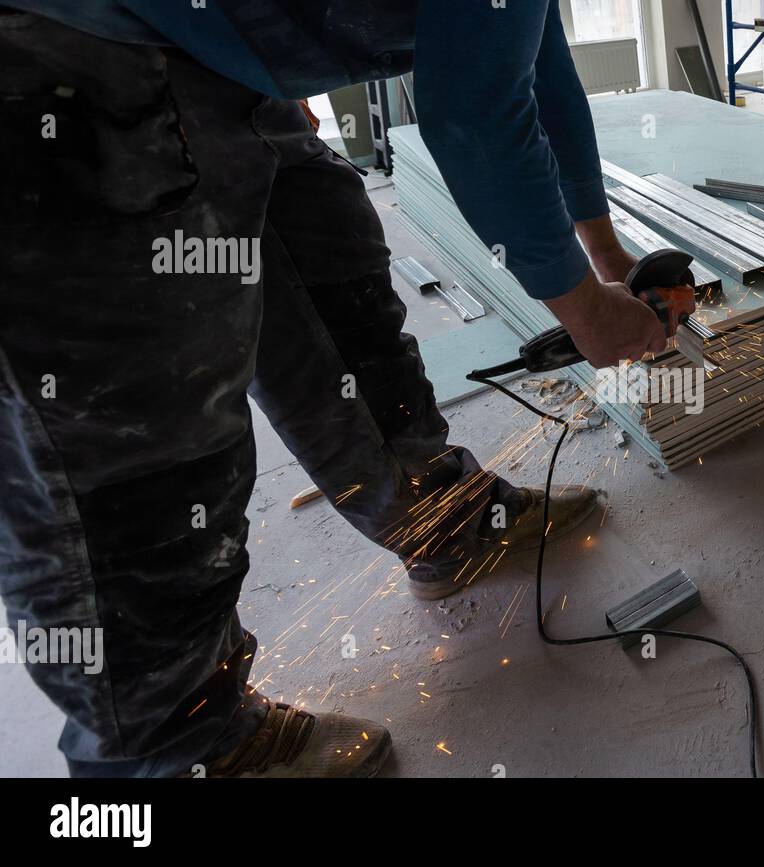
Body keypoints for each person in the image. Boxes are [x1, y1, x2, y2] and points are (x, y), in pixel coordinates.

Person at [0, 1, 690, 778]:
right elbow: (474, 118)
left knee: (336, 264)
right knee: (133, 418)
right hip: (62, 53)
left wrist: (601, 250)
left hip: (214, 59)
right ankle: (173, 748)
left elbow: (538, 66)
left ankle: (441, 518)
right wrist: (587, 312)